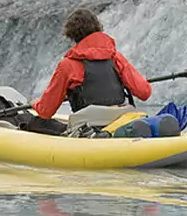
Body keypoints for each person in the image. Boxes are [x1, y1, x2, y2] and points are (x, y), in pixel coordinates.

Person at [24, 8, 152, 135]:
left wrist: (35, 103)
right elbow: (144, 92)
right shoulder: (115, 57)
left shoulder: (68, 65)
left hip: (89, 126)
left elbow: (46, 111)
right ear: (97, 28)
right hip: (120, 121)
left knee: (38, 122)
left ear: (71, 34)